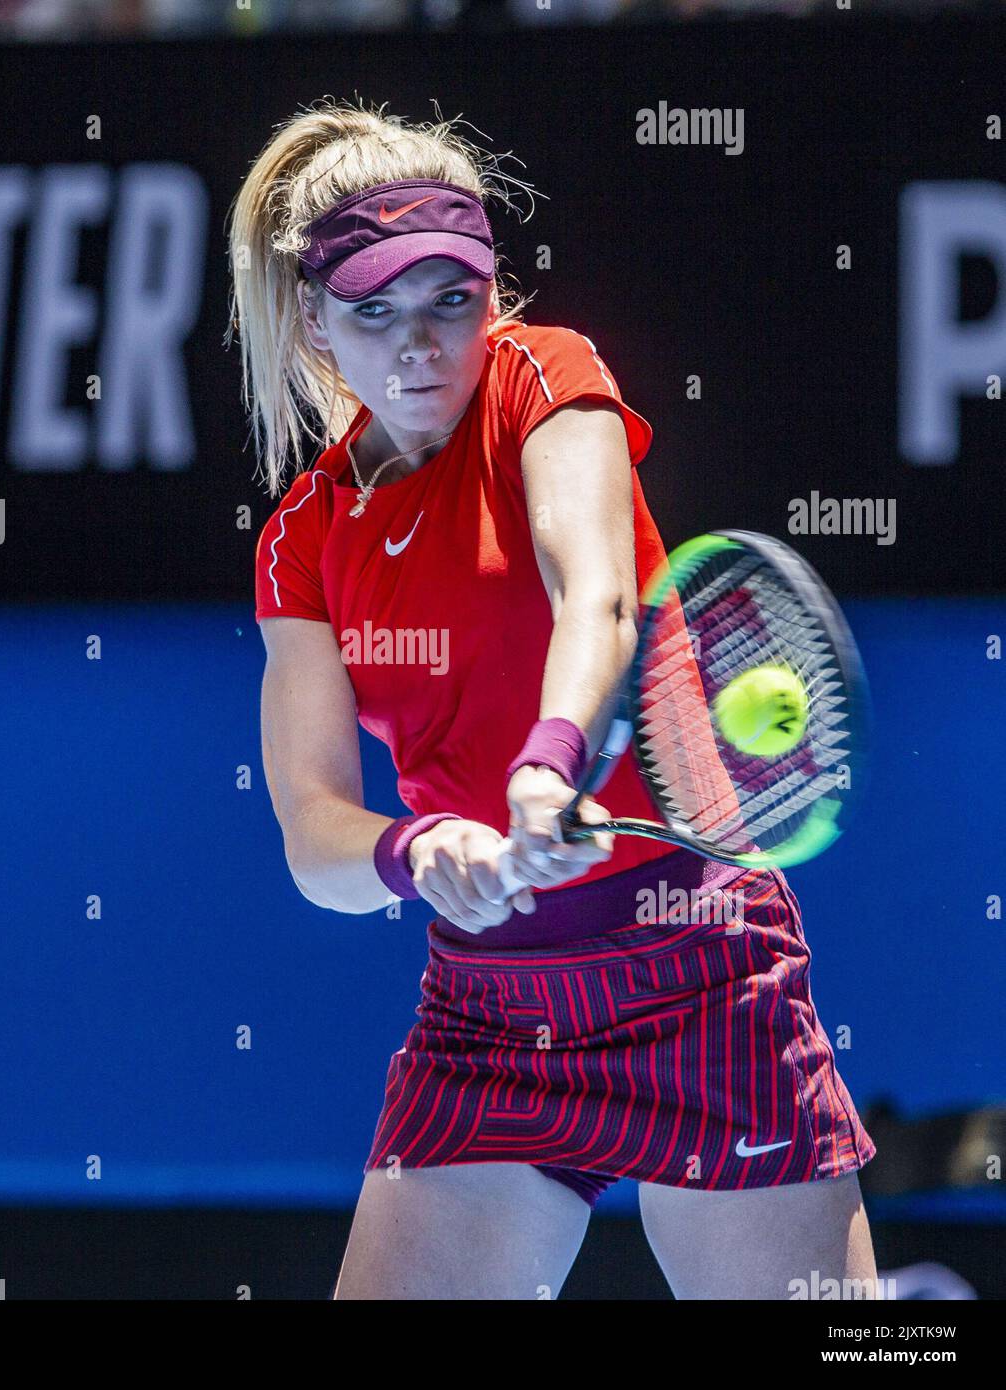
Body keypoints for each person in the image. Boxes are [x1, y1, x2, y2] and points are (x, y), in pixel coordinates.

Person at [228, 97, 878, 1300]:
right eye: (373, 311)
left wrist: (547, 757)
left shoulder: (545, 374)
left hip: (698, 966)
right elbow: (313, 836)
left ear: (490, 291)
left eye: (449, 300)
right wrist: (418, 849)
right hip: (486, 1012)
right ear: (315, 321)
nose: (418, 346)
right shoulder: (303, 542)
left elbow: (597, 595)